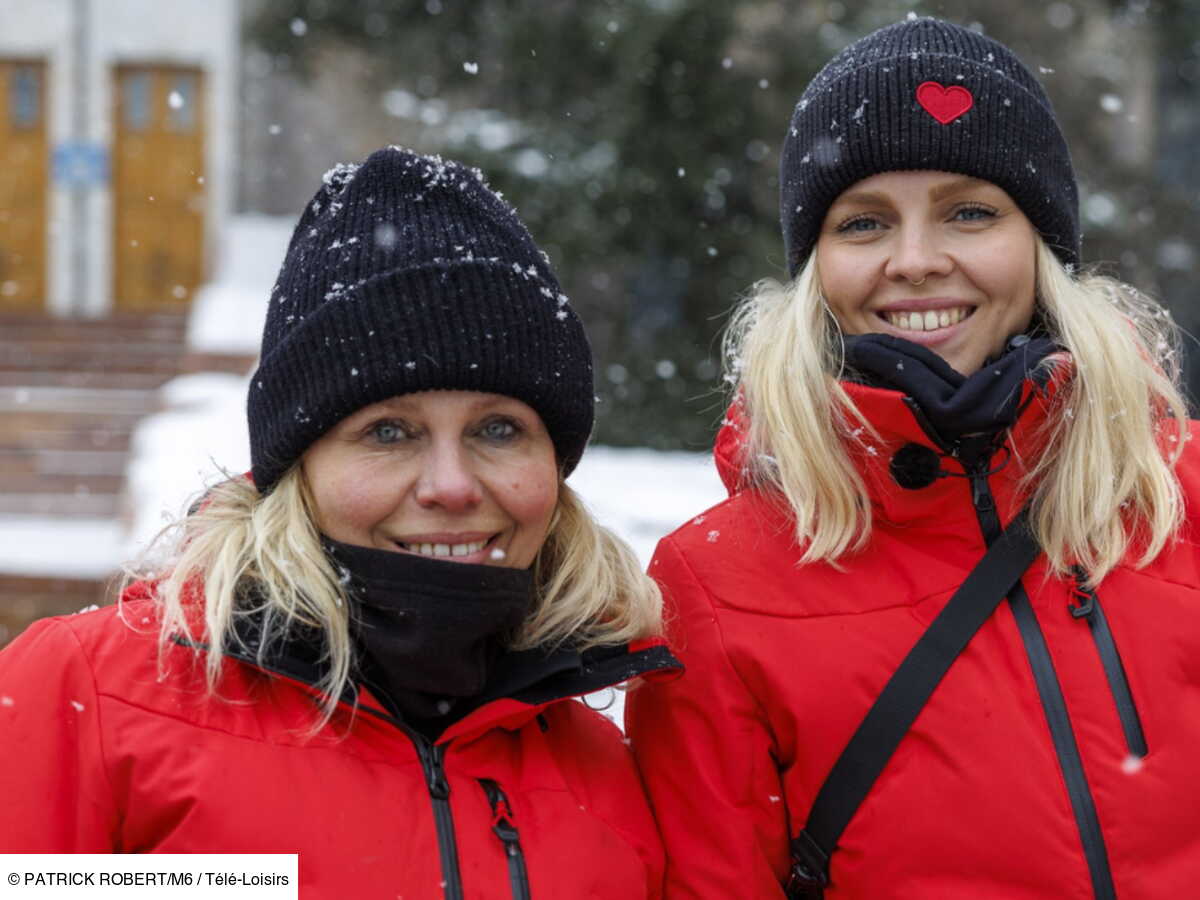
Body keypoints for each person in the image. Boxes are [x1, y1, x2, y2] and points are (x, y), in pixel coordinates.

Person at [0, 147, 679, 899]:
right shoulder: (90, 700)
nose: (452, 486)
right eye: (389, 432)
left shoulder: (611, 772)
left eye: (498, 430)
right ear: (298, 470)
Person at [626, 16, 1200, 899]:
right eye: (864, 223)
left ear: (1040, 246)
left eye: (970, 212)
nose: (918, 260)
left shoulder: (1180, 496)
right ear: (815, 264)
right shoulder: (714, 589)